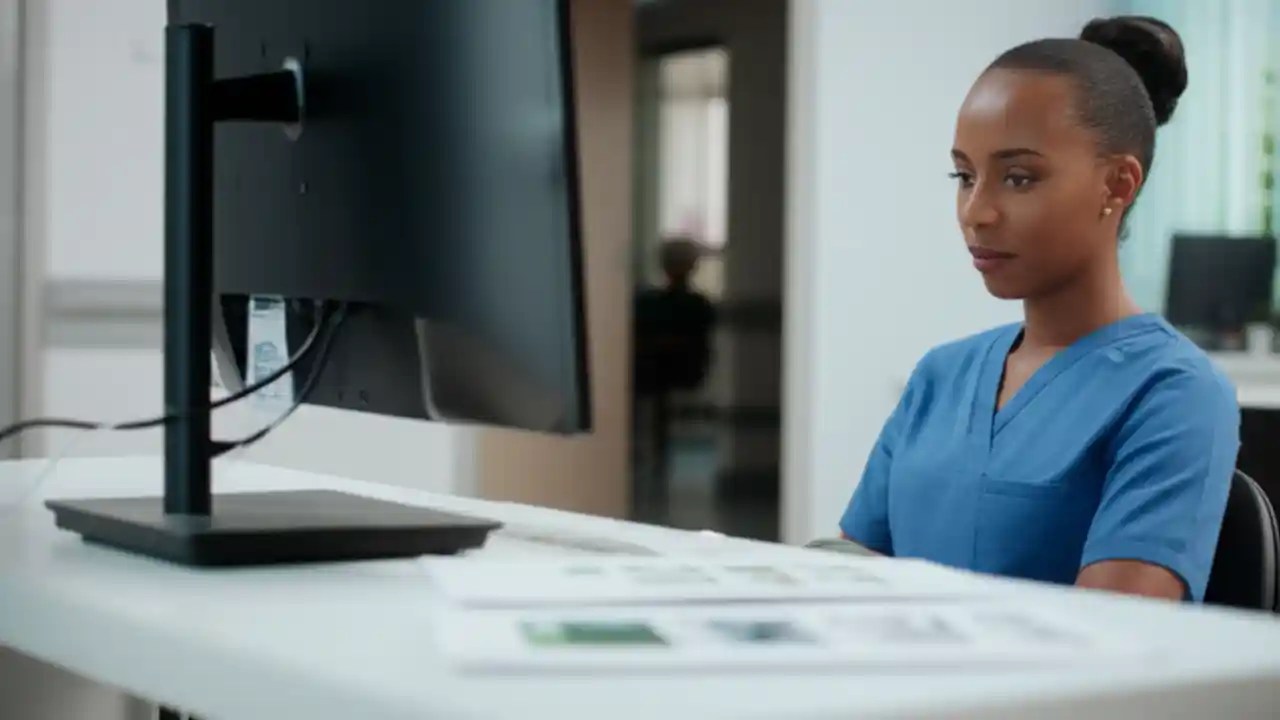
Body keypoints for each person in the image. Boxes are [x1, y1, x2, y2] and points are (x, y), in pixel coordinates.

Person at [839, 16, 1240, 602]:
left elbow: (1111, 635)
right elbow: (848, 579)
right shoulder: (940, 376)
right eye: (964, 176)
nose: (976, 212)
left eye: (1019, 178)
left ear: (1117, 185)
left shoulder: (1173, 394)